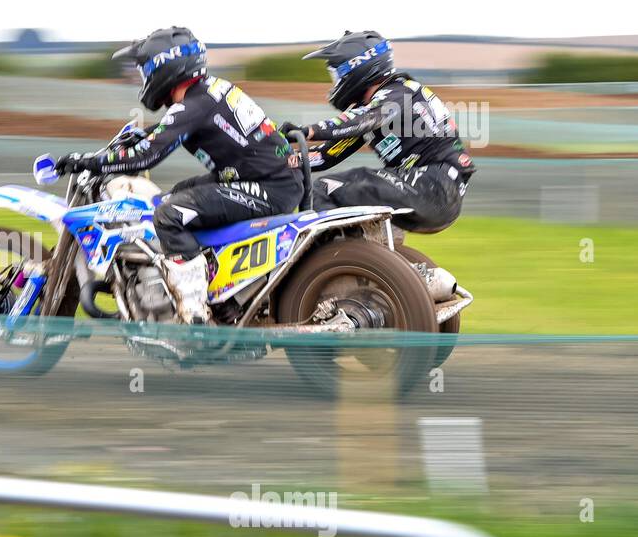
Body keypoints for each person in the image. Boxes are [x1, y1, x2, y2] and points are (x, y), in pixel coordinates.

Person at [51, 26, 303, 324]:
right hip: (266, 180)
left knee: (169, 214)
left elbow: (148, 155)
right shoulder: (208, 91)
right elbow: (174, 129)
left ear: (164, 67)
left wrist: (90, 162)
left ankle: (194, 314)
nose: (144, 79)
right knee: (171, 197)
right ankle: (216, 288)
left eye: (145, 70)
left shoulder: (193, 104)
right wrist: (144, 135)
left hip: (266, 186)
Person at [280, 30, 476, 233]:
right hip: (426, 188)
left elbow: (366, 119)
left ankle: (335, 259)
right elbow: (325, 156)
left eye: (337, 74)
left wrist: (309, 130)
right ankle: (365, 257)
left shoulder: (399, 91)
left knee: (325, 189)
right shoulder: (374, 107)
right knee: (354, 198)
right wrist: (281, 161)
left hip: (433, 185)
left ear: (357, 67)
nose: (336, 82)